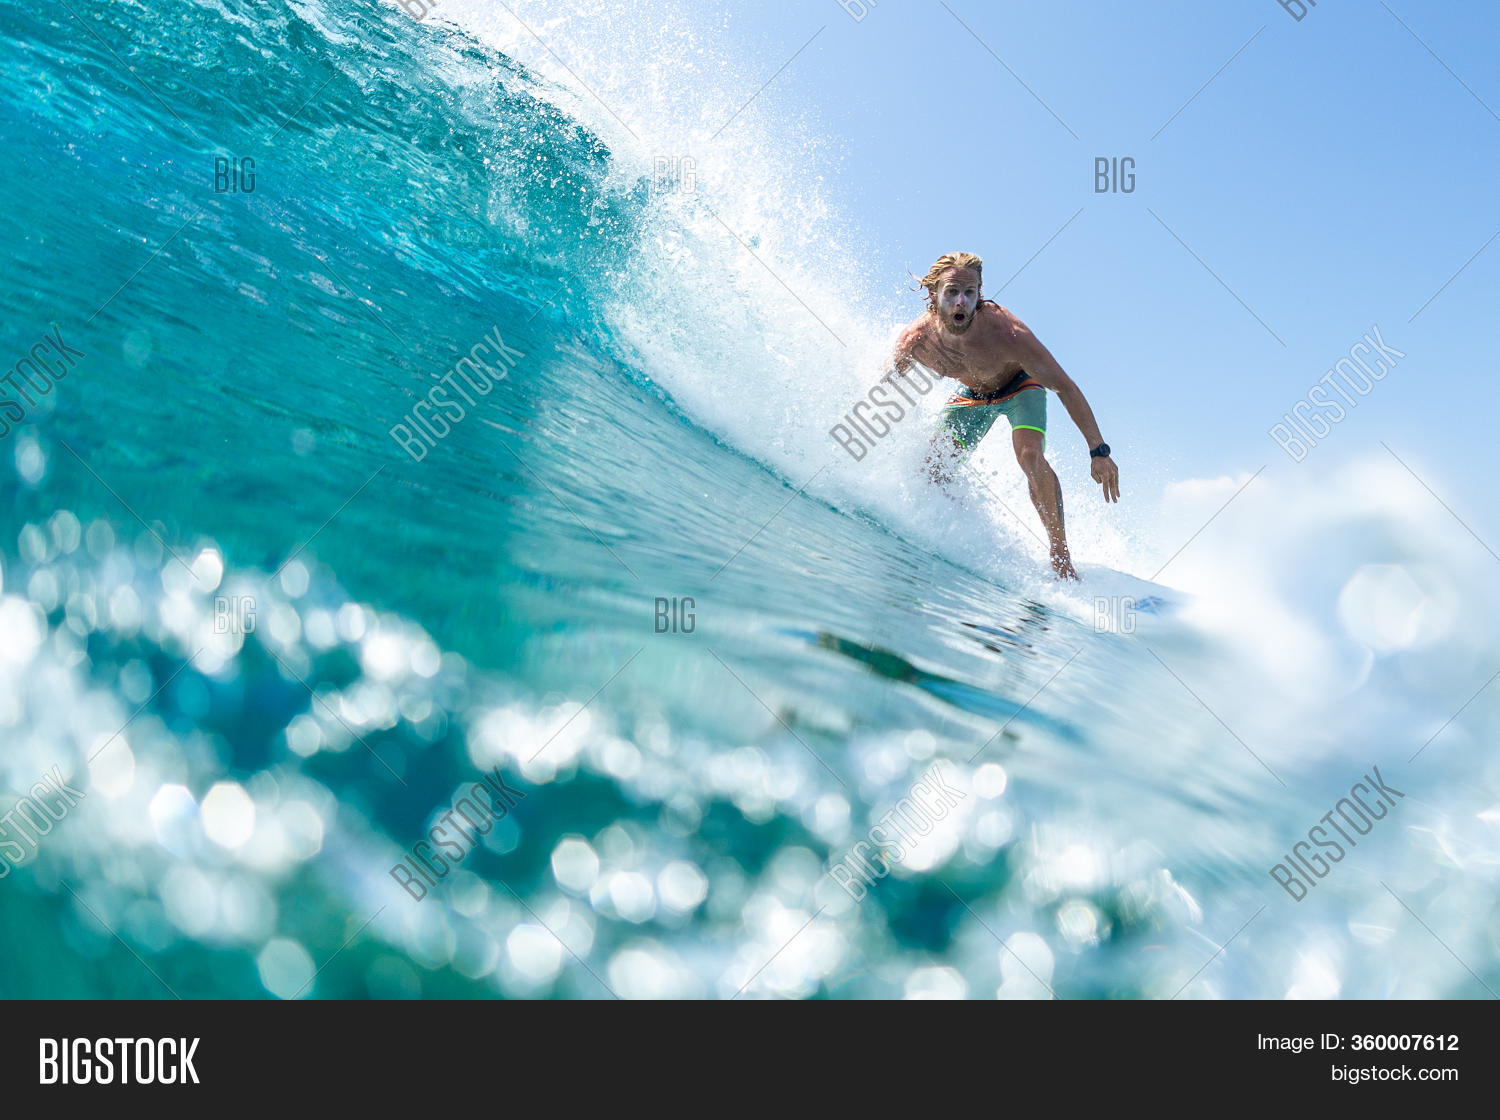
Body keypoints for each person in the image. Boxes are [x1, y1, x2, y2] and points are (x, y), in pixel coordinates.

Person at [889, 251, 1119, 579]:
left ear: (979, 293)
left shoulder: (1009, 333)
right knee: (932, 470)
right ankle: (958, 525)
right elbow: (888, 384)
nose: (961, 302)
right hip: (972, 396)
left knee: (1029, 455)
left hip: (1020, 387)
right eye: (952, 292)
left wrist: (1099, 451)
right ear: (933, 293)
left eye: (969, 292)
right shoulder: (916, 340)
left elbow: (1065, 387)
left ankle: (1060, 554)